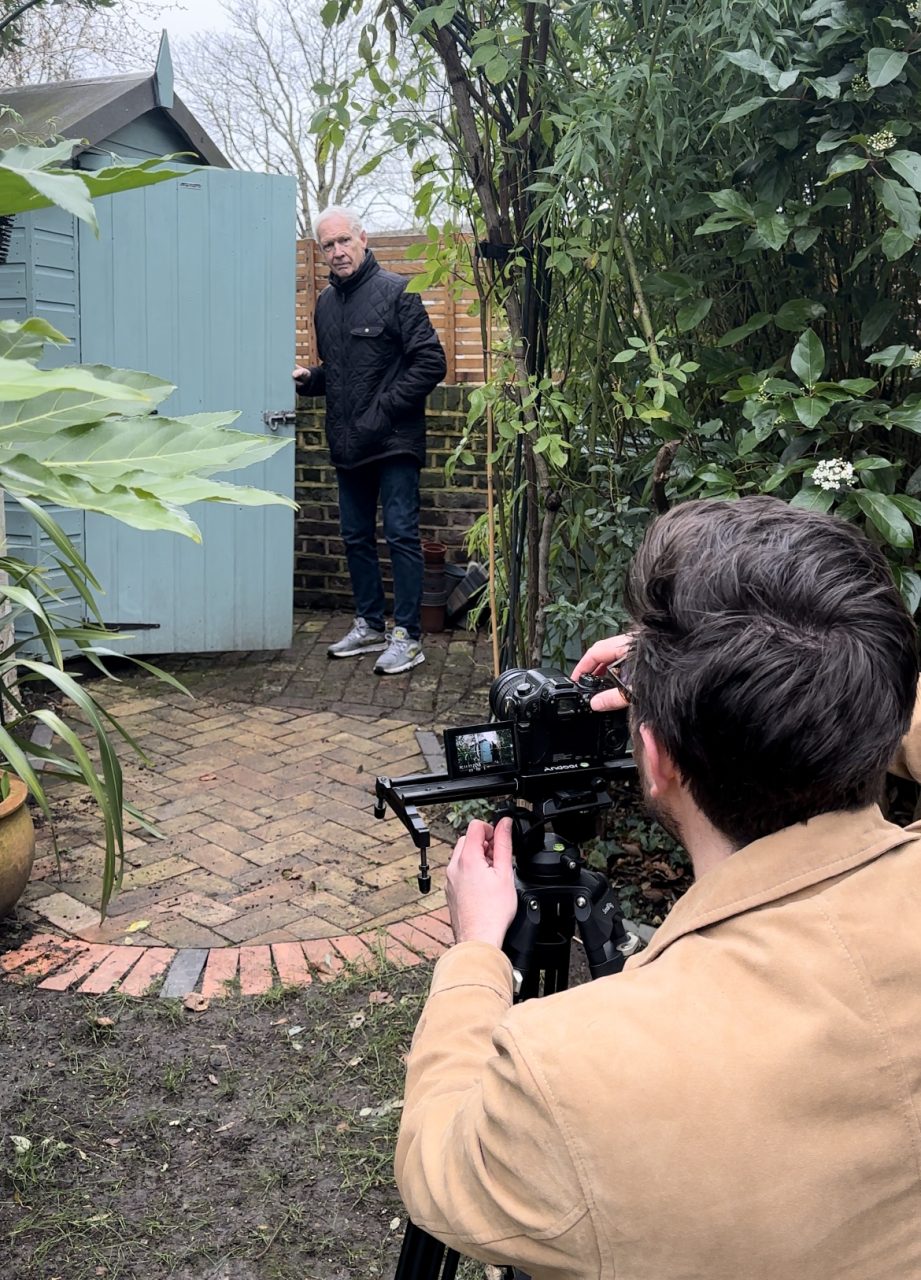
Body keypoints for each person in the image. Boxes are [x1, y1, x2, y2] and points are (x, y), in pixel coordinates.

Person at [395, 495, 921, 1279]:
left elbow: (441, 1169)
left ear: (658, 761)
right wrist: (771, 670)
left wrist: (475, 952)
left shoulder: (569, 1075)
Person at [294, 206, 446, 675]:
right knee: (355, 536)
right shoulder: (324, 304)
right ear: (321, 252)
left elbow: (430, 363)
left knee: (400, 534)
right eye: (328, 246)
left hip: (394, 442)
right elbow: (343, 375)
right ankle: (369, 624)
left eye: (344, 241)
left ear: (362, 239)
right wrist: (311, 379)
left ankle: (408, 635)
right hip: (349, 443)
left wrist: (382, 411)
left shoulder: (398, 293)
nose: (338, 252)